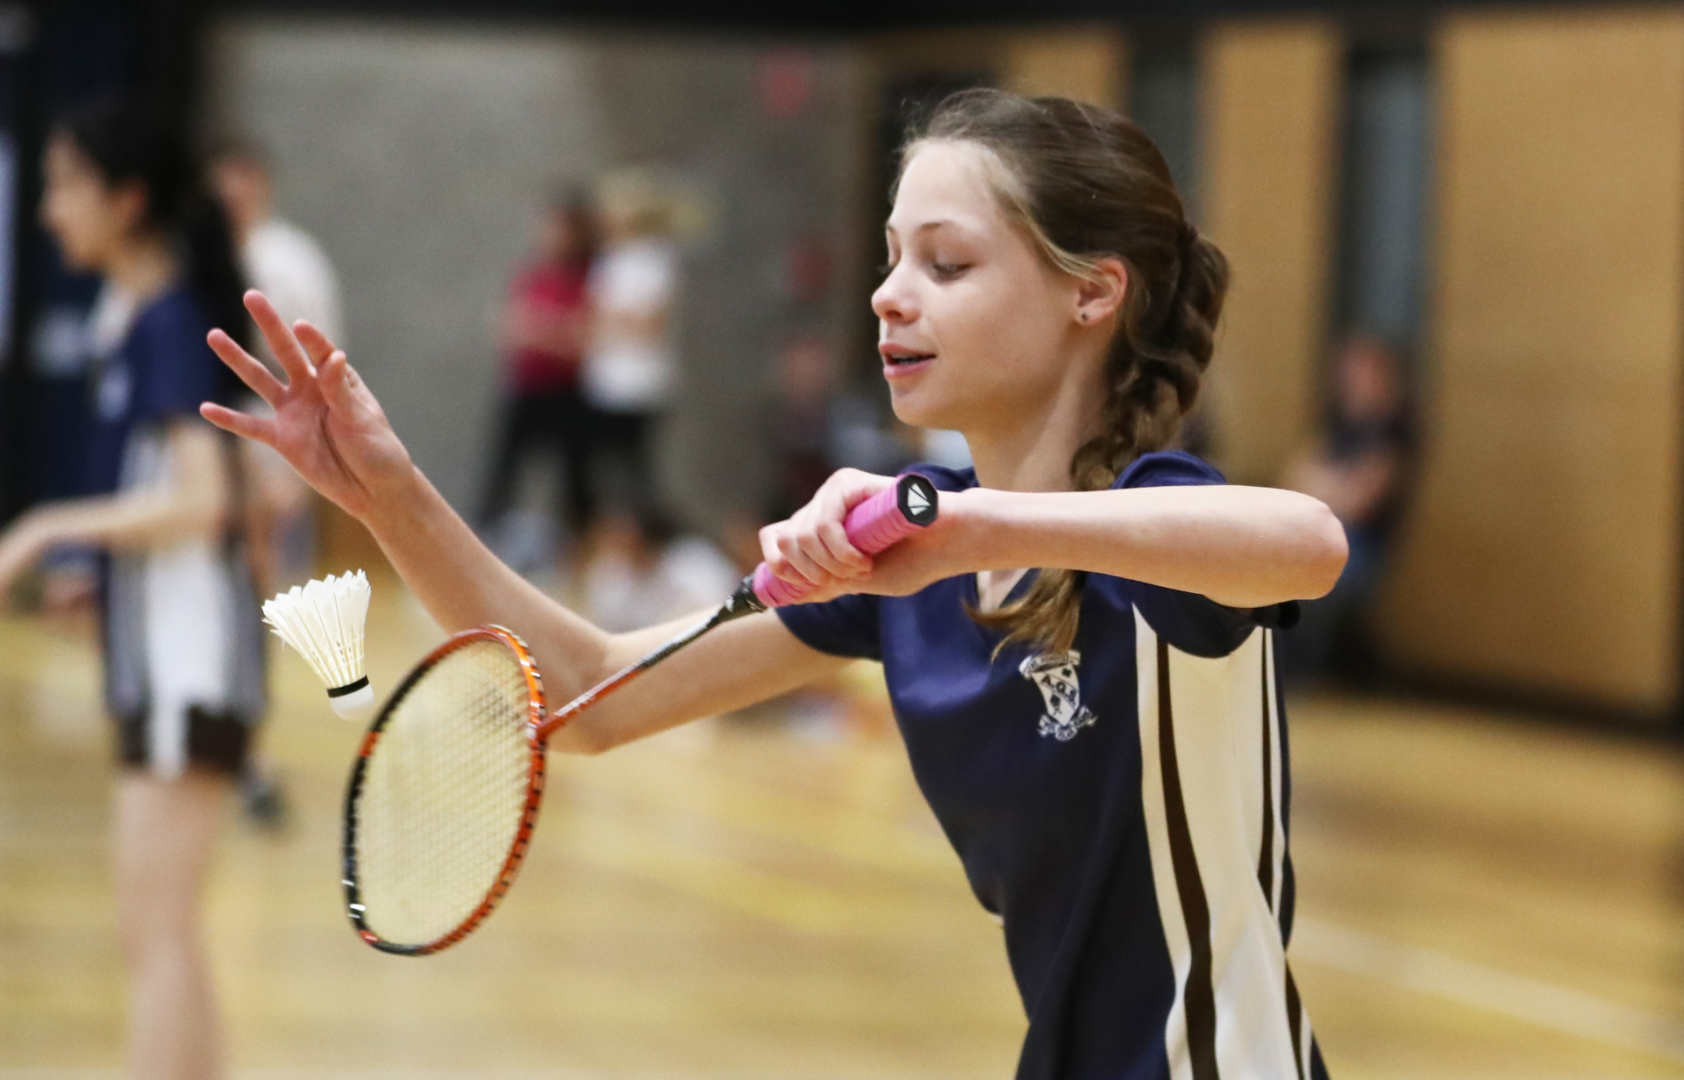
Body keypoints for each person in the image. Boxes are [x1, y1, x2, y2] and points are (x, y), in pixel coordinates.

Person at [201, 89, 1347, 1079]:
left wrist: (962, 523)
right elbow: (588, 693)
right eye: (891, 257)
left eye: (945, 264)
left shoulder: (1154, 526)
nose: (890, 296)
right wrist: (390, 494)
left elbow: (1307, 543)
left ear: (1091, 294)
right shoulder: (906, 576)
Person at [0, 101, 265, 1080]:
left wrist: (47, 528)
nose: (49, 211)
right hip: (170, 659)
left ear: (129, 199)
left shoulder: (167, 327)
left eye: (67, 184)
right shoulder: (140, 326)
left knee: (154, 935)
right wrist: (104, 582)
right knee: (162, 937)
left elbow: (205, 503)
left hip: (190, 665)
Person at [208, 136, 345, 828]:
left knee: (251, 603)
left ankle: (247, 752)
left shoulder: (290, 259)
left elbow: (323, 366)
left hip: (269, 448)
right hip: (200, 448)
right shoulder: (190, 252)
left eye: (242, 178)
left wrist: (298, 473)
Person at [1280, 334, 1412, 685]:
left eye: (1360, 369)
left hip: (1359, 547)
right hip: (1316, 536)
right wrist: (1332, 490)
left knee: (1309, 583)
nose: (1349, 378)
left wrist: (1324, 489)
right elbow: (1293, 480)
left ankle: (1303, 677)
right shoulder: (1337, 425)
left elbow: (1360, 502)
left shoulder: (1392, 431)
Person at [476, 192, 599, 567]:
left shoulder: (587, 277)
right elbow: (506, 324)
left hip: (567, 392)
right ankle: (483, 548)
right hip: (526, 388)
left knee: (575, 479)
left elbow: (583, 338)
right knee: (501, 472)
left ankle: (578, 555)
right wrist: (541, 329)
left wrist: (539, 329)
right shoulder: (533, 273)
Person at [581, 169, 680, 520]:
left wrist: (612, 317)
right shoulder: (610, 259)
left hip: (641, 382)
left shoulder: (654, 258)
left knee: (635, 467)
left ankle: (647, 530)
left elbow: (650, 323)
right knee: (605, 467)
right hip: (605, 378)